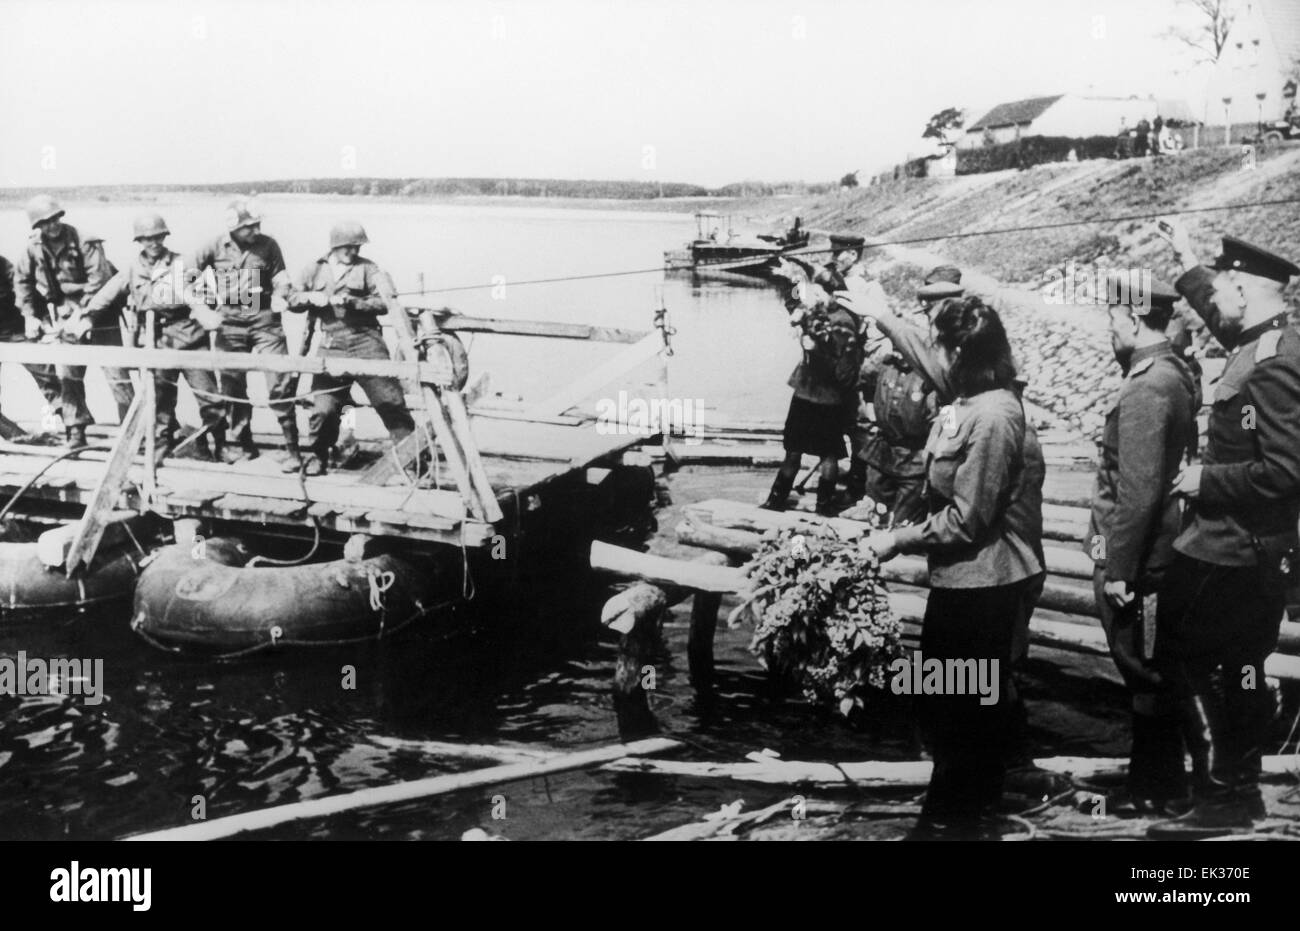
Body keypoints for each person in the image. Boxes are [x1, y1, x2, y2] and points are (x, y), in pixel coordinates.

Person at [862, 296, 1044, 839]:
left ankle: (948, 821)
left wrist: (898, 539)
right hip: (964, 579)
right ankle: (975, 810)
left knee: (958, 705)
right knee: (956, 698)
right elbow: (939, 484)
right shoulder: (967, 401)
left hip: (986, 582)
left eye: (940, 344)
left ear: (961, 351)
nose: (933, 353)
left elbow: (968, 519)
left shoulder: (991, 416)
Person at [1148, 222, 1300, 837]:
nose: (1216, 297)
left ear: (1247, 287)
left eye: (1224, 285)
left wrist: (1203, 483)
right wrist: (1188, 259)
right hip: (1244, 549)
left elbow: (1287, 471)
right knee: (1237, 666)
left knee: (1185, 656)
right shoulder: (1265, 343)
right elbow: (1226, 327)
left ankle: (1218, 798)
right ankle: (1237, 789)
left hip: (1233, 547)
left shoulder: (1275, 365)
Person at [1086, 274, 1199, 814]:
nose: (1108, 328)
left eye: (1112, 318)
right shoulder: (1171, 370)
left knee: (1147, 668)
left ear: (1132, 320)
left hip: (1143, 562)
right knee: (1151, 668)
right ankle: (1152, 782)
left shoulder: (1148, 385)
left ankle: (1161, 790)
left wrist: (1120, 571)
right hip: (1155, 553)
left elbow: (1139, 493)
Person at [84, 213, 226, 466]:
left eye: (158, 237)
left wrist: (207, 311)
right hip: (154, 342)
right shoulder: (132, 269)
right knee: (160, 403)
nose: (153, 243)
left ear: (164, 236)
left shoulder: (183, 263)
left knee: (210, 398)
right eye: (147, 239)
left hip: (189, 339)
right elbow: (106, 294)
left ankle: (215, 444)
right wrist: (86, 316)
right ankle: (160, 446)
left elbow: (209, 296)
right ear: (139, 240)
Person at [286, 221, 415, 476]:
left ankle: (412, 461)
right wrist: (309, 298)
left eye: (356, 247)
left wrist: (354, 302)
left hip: (367, 343)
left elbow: (386, 302)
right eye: (347, 248)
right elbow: (290, 298)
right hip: (331, 346)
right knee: (323, 408)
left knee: (390, 402)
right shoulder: (314, 269)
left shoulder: (369, 269)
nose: (353, 252)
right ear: (335, 246)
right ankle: (318, 457)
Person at [761, 234, 870, 516]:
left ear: (834, 294)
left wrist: (817, 349)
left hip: (829, 399)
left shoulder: (844, 322)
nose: (816, 297)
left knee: (828, 454)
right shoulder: (817, 311)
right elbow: (794, 306)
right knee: (793, 449)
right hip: (806, 392)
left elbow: (844, 373)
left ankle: (824, 507)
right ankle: (776, 501)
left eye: (820, 293)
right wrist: (791, 284)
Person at [845, 266, 964, 522]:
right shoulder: (887, 365)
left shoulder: (941, 361)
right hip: (885, 450)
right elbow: (864, 384)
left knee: (905, 521)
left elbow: (947, 415)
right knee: (876, 513)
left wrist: (942, 444)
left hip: (917, 456)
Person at [189, 198, 299, 468]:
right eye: (249, 227)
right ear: (233, 229)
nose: (255, 231)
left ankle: (292, 449)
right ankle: (245, 444)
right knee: (232, 384)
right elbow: (185, 279)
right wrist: (202, 309)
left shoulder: (269, 245)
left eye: (257, 225)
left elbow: (281, 277)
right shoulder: (213, 247)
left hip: (265, 320)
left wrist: (282, 295)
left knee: (279, 380)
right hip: (229, 322)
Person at [13, 195, 95, 446]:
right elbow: (23, 281)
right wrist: (29, 315)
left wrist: (86, 314)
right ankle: (76, 428)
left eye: (54, 219)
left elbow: (99, 279)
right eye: (45, 222)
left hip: (99, 310)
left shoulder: (84, 240)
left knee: (117, 375)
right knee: (69, 373)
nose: (52, 226)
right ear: (37, 226)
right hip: (66, 313)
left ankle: (142, 434)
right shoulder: (33, 247)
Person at [81, 230, 136, 422]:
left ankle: (131, 424)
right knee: (70, 378)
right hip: (78, 324)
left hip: (106, 326)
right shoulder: (67, 270)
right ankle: (79, 426)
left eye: (98, 248)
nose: (97, 252)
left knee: (118, 378)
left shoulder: (109, 268)